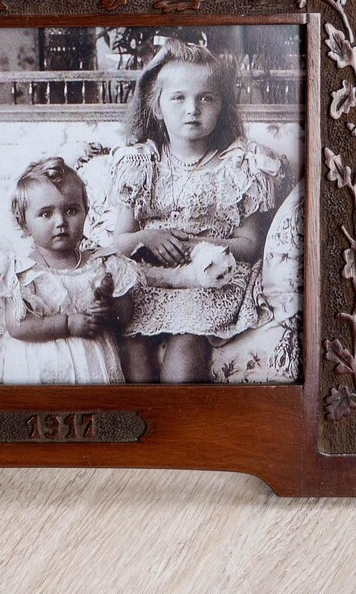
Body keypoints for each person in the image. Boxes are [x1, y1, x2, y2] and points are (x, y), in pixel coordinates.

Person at [111, 39, 283, 383]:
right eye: (179, 98)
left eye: (206, 98)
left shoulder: (239, 166)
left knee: (186, 343)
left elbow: (251, 244)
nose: (192, 108)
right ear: (157, 107)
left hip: (208, 281)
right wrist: (147, 236)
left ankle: (177, 425)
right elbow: (119, 241)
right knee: (132, 345)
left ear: (221, 107)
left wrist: (198, 247)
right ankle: (143, 426)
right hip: (151, 279)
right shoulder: (141, 164)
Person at [0, 157, 139, 385]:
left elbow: (125, 314)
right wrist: (67, 324)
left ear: (86, 211)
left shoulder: (102, 263)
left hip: (92, 361)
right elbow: (17, 325)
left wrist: (109, 310)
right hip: (37, 365)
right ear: (24, 222)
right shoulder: (21, 272)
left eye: (71, 210)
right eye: (46, 214)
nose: (61, 221)